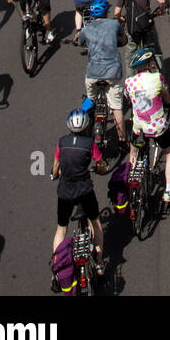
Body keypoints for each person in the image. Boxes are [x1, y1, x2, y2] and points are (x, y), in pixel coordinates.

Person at [51, 107, 105, 281]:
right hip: (84, 190)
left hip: (65, 191)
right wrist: (100, 169)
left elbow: (55, 167)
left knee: (61, 228)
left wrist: (55, 174)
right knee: (95, 222)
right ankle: (98, 263)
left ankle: (56, 269)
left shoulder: (61, 142)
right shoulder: (89, 145)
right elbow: (101, 164)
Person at [125, 48, 170, 204]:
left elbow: (129, 99)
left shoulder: (129, 82)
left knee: (133, 152)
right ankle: (168, 191)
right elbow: (165, 96)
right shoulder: (157, 78)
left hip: (138, 127)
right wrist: (168, 104)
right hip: (157, 127)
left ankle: (132, 179)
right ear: (149, 64)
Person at [77, 0, 126, 144]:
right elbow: (123, 40)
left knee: (90, 100)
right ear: (106, 12)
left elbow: (79, 42)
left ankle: (79, 128)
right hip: (113, 72)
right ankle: (122, 141)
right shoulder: (114, 24)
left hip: (93, 73)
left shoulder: (86, 29)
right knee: (117, 107)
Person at [114, 0, 165, 70]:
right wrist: (161, 10)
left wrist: (120, 19)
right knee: (154, 50)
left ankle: (130, 80)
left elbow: (117, 12)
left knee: (131, 54)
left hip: (132, 27)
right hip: (147, 25)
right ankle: (161, 74)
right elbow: (162, 1)